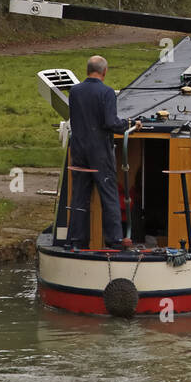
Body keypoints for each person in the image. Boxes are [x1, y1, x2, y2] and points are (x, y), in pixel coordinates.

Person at [67, 55, 135, 249]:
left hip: (79, 150)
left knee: (79, 195)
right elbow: (111, 123)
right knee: (109, 195)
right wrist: (129, 124)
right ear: (104, 72)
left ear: (87, 70)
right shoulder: (106, 93)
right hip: (100, 153)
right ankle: (114, 239)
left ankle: (77, 240)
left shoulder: (75, 91)